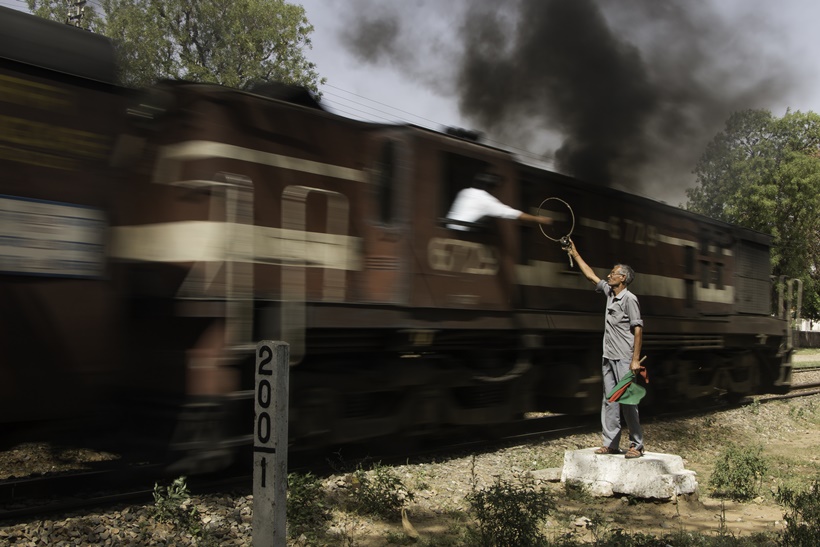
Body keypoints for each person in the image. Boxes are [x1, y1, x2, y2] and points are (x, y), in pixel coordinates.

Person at [565, 238, 645, 459]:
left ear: (624, 278)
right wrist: (574, 252)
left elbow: (638, 330)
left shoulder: (630, 300)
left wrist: (635, 360)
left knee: (628, 401)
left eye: (613, 273)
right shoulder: (610, 294)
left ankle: (636, 445)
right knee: (609, 400)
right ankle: (611, 443)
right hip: (608, 356)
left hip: (624, 358)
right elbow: (591, 276)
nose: (609, 275)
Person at [445, 172, 553, 231]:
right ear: (491, 188)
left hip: (449, 229)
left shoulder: (464, 192)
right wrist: (538, 219)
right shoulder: (486, 200)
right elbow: (514, 214)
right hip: (462, 237)